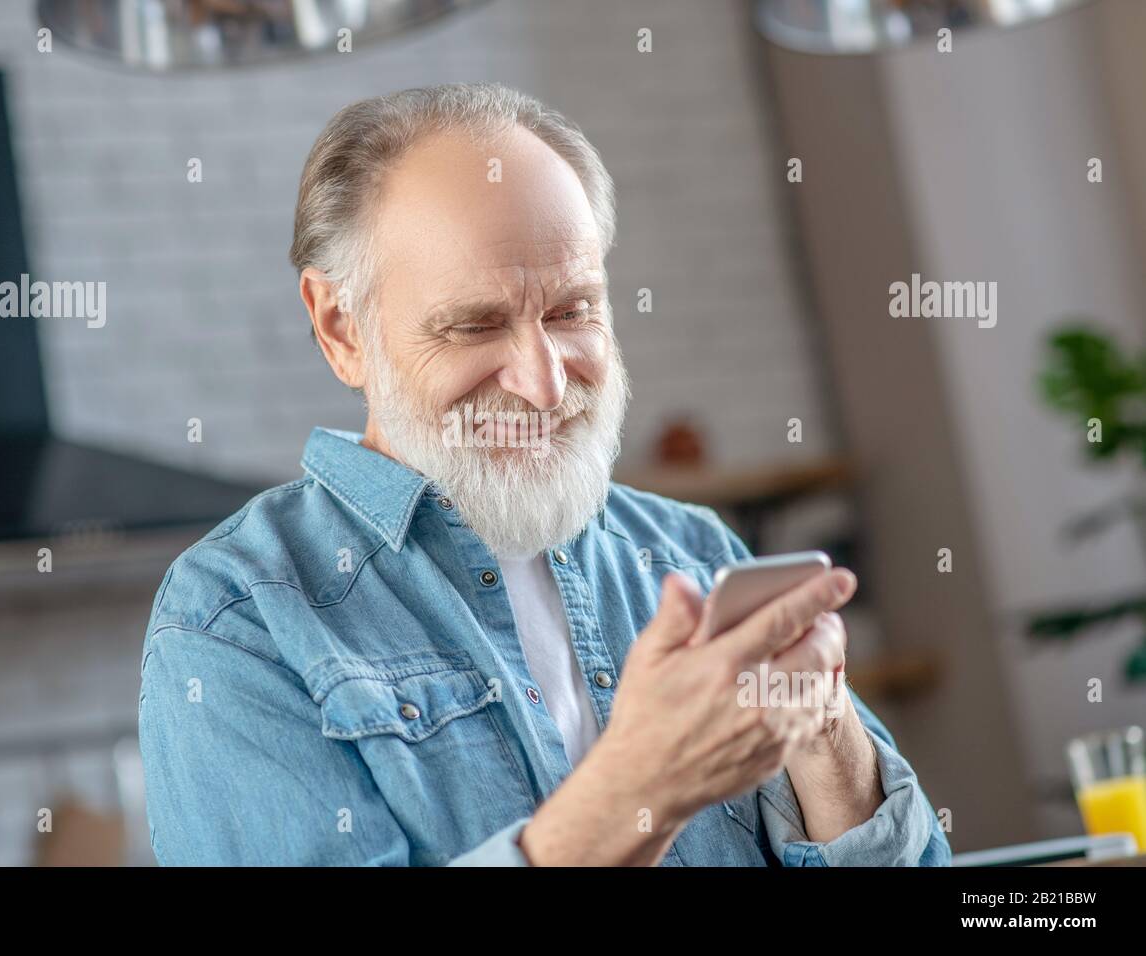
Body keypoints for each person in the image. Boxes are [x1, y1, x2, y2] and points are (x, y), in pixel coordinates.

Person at [138, 82, 950, 866]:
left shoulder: (695, 554)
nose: (546, 382)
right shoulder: (237, 622)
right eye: (475, 325)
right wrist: (641, 793)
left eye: (571, 311)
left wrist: (824, 732)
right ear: (341, 327)